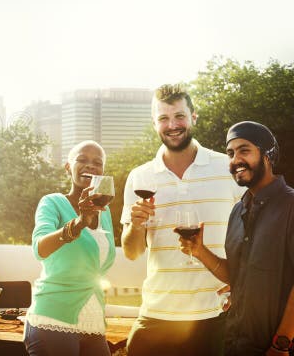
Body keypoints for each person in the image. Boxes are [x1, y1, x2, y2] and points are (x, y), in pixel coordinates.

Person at [120, 84, 243, 356]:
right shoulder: (139, 177)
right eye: (163, 118)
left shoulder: (227, 168)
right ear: (154, 123)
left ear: (193, 117)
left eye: (179, 116)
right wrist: (136, 225)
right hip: (157, 312)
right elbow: (131, 251)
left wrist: (242, 281)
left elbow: (254, 234)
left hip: (215, 314)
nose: (172, 125)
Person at [179, 121, 294, 356]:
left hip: (277, 347)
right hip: (235, 343)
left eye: (244, 150)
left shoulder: (291, 205)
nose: (235, 160)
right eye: (230, 153)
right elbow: (236, 275)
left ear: (267, 155)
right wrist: (200, 251)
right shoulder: (237, 211)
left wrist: (282, 342)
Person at [24, 141, 115, 356]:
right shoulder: (52, 203)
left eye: (97, 163)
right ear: (68, 167)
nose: (90, 166)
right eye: (82, 160)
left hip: (93, 321)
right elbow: (40, 249)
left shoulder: (105, 212)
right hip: (53, 319)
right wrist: (80, 222)